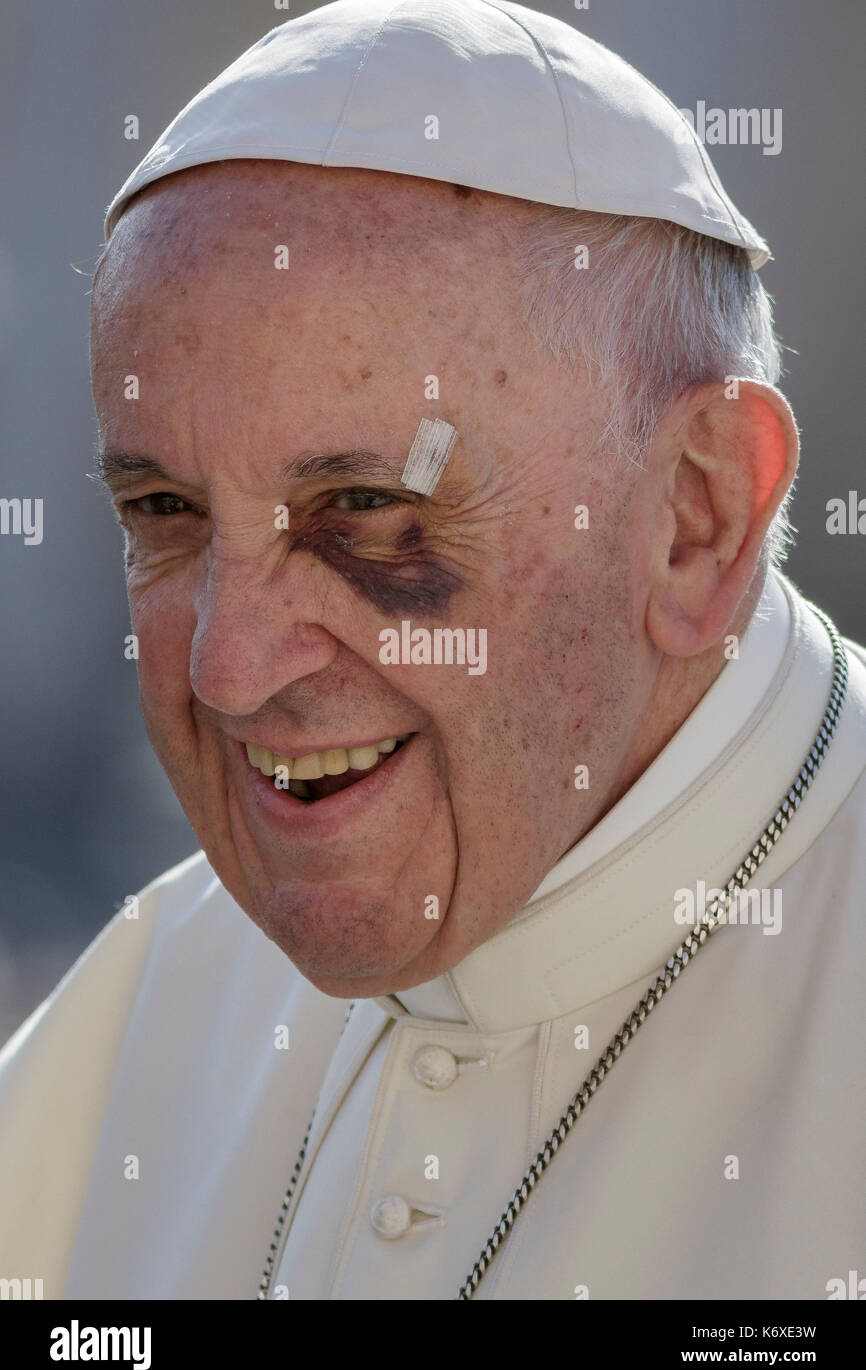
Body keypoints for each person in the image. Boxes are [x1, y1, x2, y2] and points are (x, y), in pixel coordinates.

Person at [0, 0, 863, 1301]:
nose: (227, 669)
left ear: (696, 517)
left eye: (361, 507)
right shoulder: (136, 1010)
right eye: (164, 513)